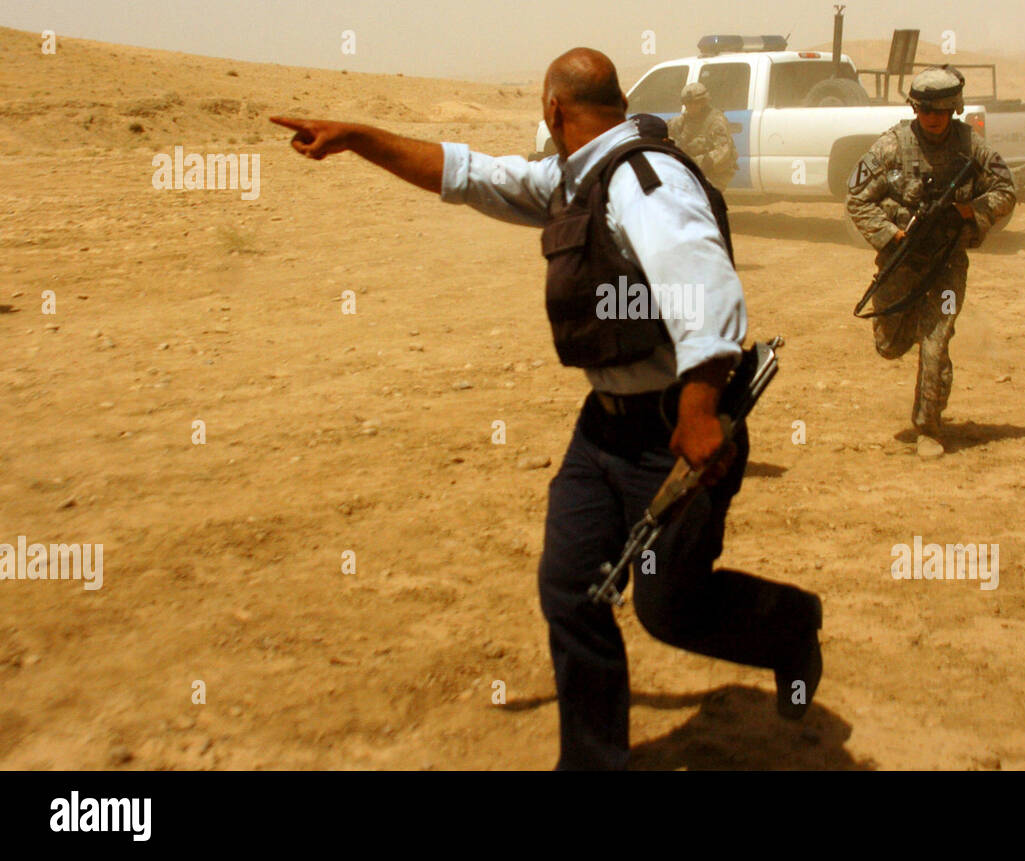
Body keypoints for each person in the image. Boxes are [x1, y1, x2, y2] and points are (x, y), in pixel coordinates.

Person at [271, 48, 821, 770]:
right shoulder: (576, 178)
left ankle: (791, 627)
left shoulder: (644, 181)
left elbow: (708, 293)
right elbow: (466, 174)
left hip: (675, 432)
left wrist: (698, 412)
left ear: (553, 109)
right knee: (572, 590)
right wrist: (360, 138)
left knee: (667, 608)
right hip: (604, 430)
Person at [846, 66, 1016, 460]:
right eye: (924, 110)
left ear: (954, 108)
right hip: (900, 259)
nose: (933, 118)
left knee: (936, 342)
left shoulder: (971, 147)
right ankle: (903, 335)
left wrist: (968, 211)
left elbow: (1006, 190)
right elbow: (856, 197)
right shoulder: (890, 146)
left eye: (940, 110)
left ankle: (929, 426)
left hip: (947, 262)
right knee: (890, 345)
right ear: (915, 109)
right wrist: (893, 233)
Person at [668, 82, 739, 190]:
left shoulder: (716, 121)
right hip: (692, 171)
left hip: (714, 173)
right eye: (688, 103)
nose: (691, 107)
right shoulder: (681, 121)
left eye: (695, 103)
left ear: (703, 102)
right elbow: (665, 132)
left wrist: (696, 162)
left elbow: (723, 152)